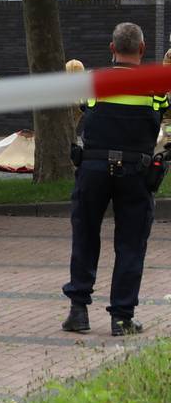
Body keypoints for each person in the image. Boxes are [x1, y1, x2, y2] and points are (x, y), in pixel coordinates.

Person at [62, 22, 167, 336]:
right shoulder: (154, 87)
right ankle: (121, 318)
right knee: (131, 244)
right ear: (143, 50)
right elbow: (163, 110)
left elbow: (82, 104)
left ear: (112, 49)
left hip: (93, 170)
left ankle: (78, 312)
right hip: (136, 173)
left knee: (85, 237)